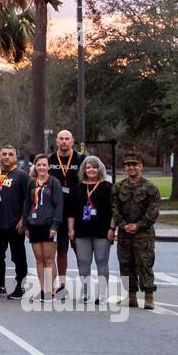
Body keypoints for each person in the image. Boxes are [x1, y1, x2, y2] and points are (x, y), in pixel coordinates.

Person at [110, 151, 161, 310]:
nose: (131, 168)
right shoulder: (118, 187)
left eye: (134, 165)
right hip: (125, 233)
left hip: (143, 234)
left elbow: (153, 211)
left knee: (145, 264)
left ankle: (148, 296)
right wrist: (124, 225)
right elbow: (114, 208)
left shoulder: (150, 188)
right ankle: (131, 296)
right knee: (126, 264)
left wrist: (138, 225)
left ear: (141, 167)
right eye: (128, 165)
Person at [67, 154, 113, 305]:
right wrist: (71, 229)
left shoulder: (107, 187)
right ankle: (85, 292)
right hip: (81, 230)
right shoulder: (78, 188)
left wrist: (112, 229)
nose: (91, 170)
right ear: (84, 169)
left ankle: (103, 293)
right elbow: (71, 211)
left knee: (101, 260)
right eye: (88, 167)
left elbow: (114, 210)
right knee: (83, 261)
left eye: (94, 167)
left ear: (99, 168)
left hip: (102, 230)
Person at [0, 145, 30, 299]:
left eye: (10, 154)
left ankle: (21, 286)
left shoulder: (22, 176)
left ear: (15, 158)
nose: (6, 157)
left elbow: (28, 200)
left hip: (15, 224)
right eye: (4, 154)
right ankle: (0, 285)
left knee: (18, 256)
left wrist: (22, 220)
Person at [48, 130, 84, 299]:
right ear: (56, 141)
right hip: (57, 213)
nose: (64, 142)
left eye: (67, 139)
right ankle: (62, 285)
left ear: (72, 141)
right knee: (61, 250)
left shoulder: (80, 159)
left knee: (81, 251)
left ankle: (86, 286)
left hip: (77, 212)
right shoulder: (49, 160)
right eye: (61, 139)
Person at [24, 153, 64, 302]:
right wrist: (26, 224)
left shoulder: (54, 182)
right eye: (38, 165)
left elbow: (59, 206)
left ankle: (50, 290)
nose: (41, 167)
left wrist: (55, 225)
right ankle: (42, 289)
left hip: (49, 226)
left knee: (48, 258)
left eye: (44, 165)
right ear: (35, 166)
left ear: (48, 167)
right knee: (39, 258)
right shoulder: (31, 182)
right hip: (34, 224)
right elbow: (27, 205)